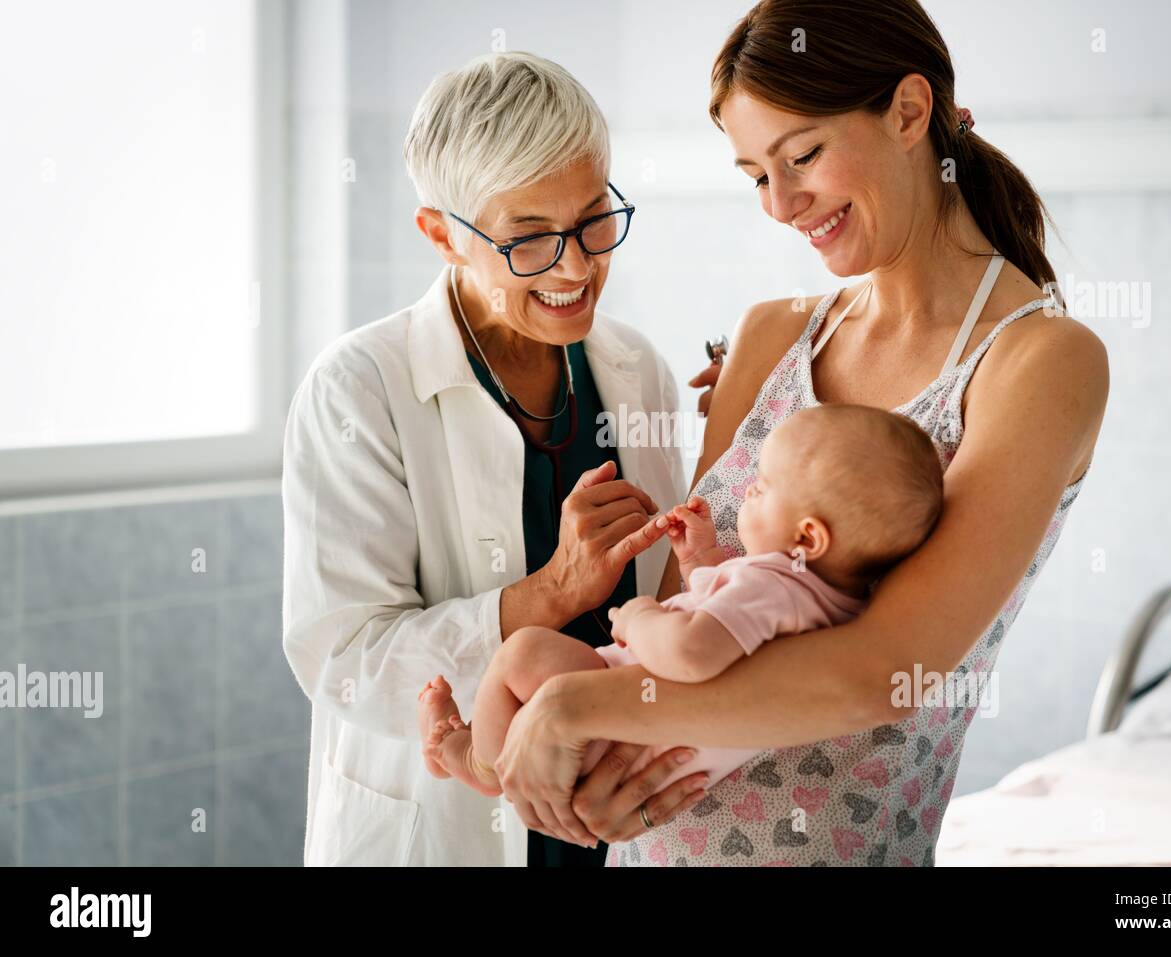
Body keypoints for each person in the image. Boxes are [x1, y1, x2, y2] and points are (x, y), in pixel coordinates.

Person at [489, 0, 1109, 866]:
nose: (780, 205)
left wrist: (576, 708)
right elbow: (681, 614)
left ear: (909, 111)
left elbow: (885, 671)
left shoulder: (1038, 362)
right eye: (754, 175)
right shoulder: (771, 336)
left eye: (803, 155)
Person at [281, 51, 700, 866]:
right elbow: (344, 660)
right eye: (530, 240)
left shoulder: (635, 368)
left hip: (612, 810)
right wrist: (546, 594)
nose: (576, 267)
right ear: (442, 234)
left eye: (591, 220)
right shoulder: (358, 390)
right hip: (440, 834)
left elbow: (672, 608)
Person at [418, 405, 942, 800]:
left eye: (761, 487)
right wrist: (701, 561)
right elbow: (727, 628)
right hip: (649, 745)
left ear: (806, 539)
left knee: (523, 653)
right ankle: (477, 748)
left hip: (615, 719)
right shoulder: (826, 601)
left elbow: (693, 653)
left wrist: (640, 616)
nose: (747, 494)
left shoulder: (775, 582)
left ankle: (478, 761)